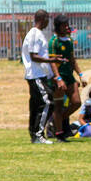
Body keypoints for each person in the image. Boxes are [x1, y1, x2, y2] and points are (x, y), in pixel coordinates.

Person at [21, 10, 61, 144]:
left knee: (37, 105)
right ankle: (38, 135)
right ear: (43, 19)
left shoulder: (39, 34)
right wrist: (52, 60)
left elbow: (40, 55)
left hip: (40, 74)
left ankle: (34, 134)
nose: (48, 22)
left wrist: (52, 60)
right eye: (47, 19)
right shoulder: (34, 34)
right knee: (47, 102)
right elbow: (34, 56)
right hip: (35, 75)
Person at [47, 15, 83, 141]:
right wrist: (58, 78)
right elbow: (52, 61)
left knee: (77, 102)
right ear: (58, 26)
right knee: (58, 105)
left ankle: (56, 121)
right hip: (59, 77)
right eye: (64, 25)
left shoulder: (69, 40)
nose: (67, 27)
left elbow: (72, 60)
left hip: (69, 76)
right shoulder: (53, 41)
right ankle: (59, 134)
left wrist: (80, 74)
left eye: (67, 24)